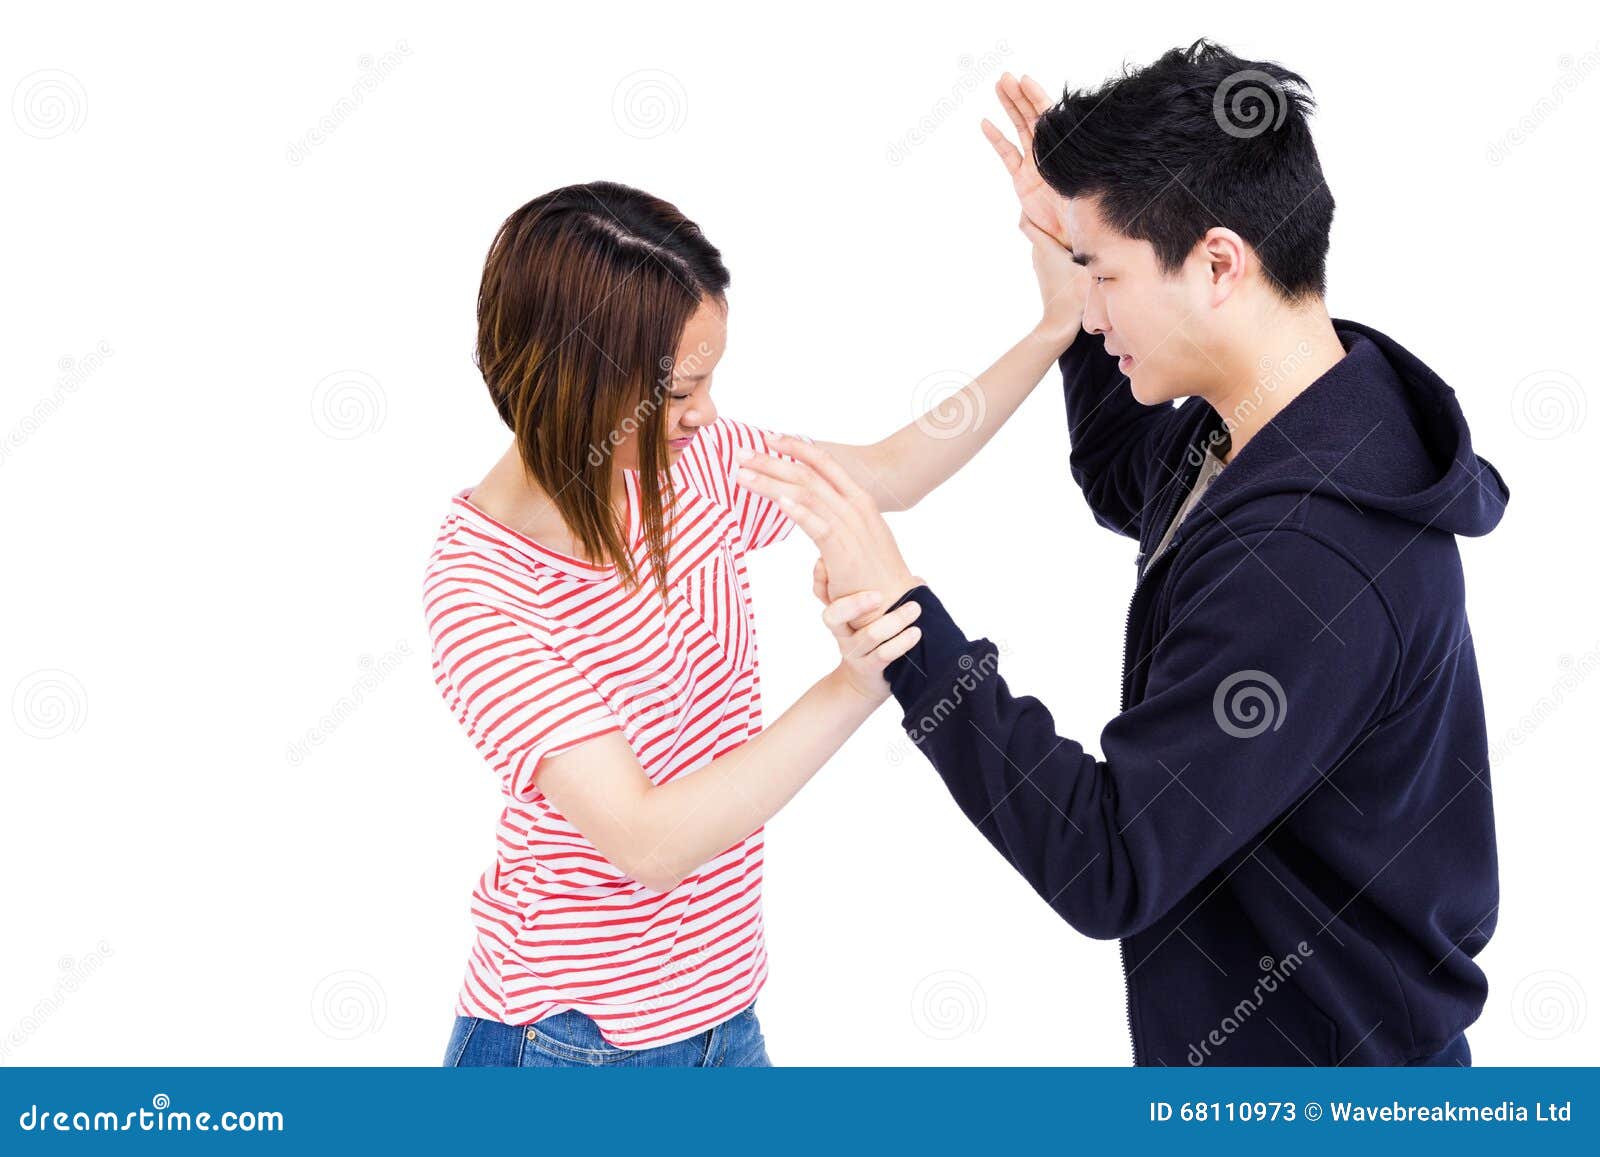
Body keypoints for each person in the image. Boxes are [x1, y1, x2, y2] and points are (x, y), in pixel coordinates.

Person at [733, 43, 1510, 1066]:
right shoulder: (1277, 417)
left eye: (1101, 273)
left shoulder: (1311, 553)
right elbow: (1120, 473)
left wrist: (906, 625)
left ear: (1219, 261)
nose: (1090, 314)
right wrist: (1065, 287)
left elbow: (1110, 858)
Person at [426, 180, 1081, 1066]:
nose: (709, 414)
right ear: (576, 383)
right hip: (568, 1048)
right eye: (682, 390)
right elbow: (649, 840)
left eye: (711, 379)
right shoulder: (483, 586)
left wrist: (1055, 326)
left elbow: (891, 473)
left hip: (724, 1022)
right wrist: (856, 683)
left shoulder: (691, 461)